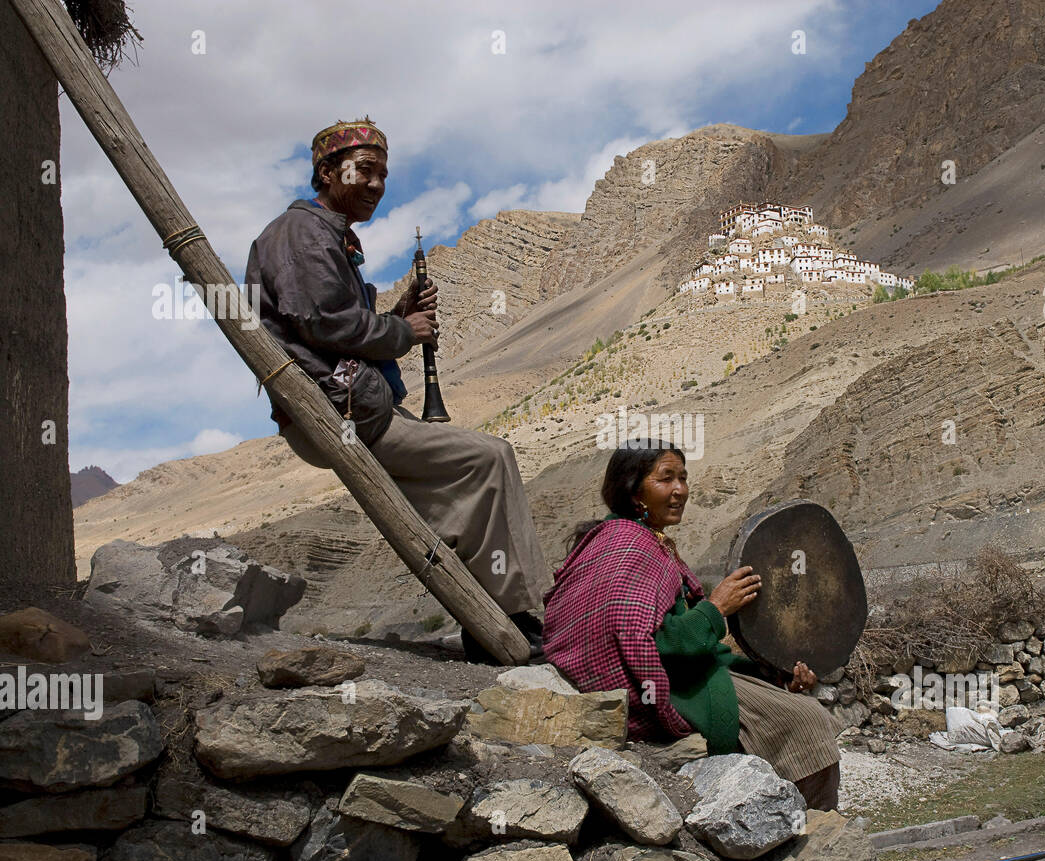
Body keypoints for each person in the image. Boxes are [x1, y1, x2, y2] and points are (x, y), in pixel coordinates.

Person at [245, 118, 550, 661]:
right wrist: (405, 332)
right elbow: (322, 322)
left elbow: (332, 325)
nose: (376, 184)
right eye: (364, 170)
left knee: (468, 476)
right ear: (326, 171)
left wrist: (394, 316)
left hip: (347, 405)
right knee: (492, 457)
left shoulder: (321, 234)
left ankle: (490, 618)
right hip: (339, 411)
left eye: (383, 174)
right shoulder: (303, 233)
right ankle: (517, 619)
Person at [541, 441, 841, 810]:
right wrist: (716, 608)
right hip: (667, 686)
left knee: (795, 702)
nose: (681, 490)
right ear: (634, 489)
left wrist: (777, 677)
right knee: (808, 720)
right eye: (666, 479)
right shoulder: (629, 545)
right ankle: (814, 832)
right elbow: (657, 643)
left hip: (687, 674)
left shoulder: (637, 540)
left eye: (683, 478)